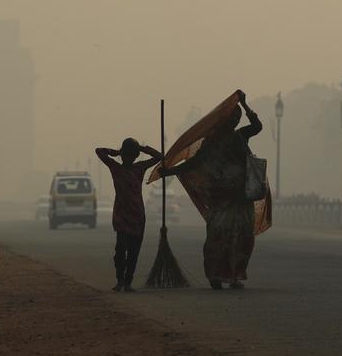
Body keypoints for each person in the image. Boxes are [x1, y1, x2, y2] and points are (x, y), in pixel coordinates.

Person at [160, 90, 261, 290]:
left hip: (241, 195)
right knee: (217, 235)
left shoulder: (241, 136)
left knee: (242, 236)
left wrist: (246, 104)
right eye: (232, 116)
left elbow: (257, 127)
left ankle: (234, 276)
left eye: (237, 117)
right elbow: (193, 163)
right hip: (221, 196)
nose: (234, 120)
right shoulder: (211, 143)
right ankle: (214, 275)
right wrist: (169, 171)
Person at [96, 138, 163, 292]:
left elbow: (160, 157)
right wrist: (118, 152)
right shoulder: (115, 167)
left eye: (131, 155)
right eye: (126, 155)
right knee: (120, 249)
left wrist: (141, 147)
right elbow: (99, 151)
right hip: (121, 215)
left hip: (137, 215)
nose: (128, 158)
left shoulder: (140, 168)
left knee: (133, 251)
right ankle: (120, 280)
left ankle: (127, 282)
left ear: (135, 156)